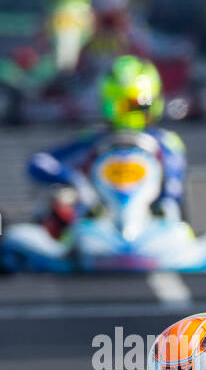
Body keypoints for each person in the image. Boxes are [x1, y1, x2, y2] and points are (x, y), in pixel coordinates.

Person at [26, 55, 186, 239]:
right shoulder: (94, 139)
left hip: (155, 228)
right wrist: (74, 180)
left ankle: (165, 226)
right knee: (63, 197)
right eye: (124, 106)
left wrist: (168, 202)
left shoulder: (164, 142)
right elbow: (38, 162)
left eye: (135, 106)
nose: (129, 113)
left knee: (171, 205)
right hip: (96, 223)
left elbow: (174, 182)